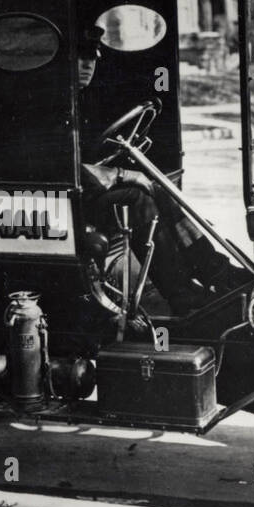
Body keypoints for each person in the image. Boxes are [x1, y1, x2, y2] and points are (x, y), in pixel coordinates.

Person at [76, 27, 214, 316]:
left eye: (93, 57)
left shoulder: (81, 99)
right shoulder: (54, 103)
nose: (89, 65)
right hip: (66, 202)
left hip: (82, 193)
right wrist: (123, 175)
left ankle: (214, 271)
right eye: (80, 58)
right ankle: (179, 294)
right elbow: (68, 166)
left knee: (159, 188)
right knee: (138, 200)